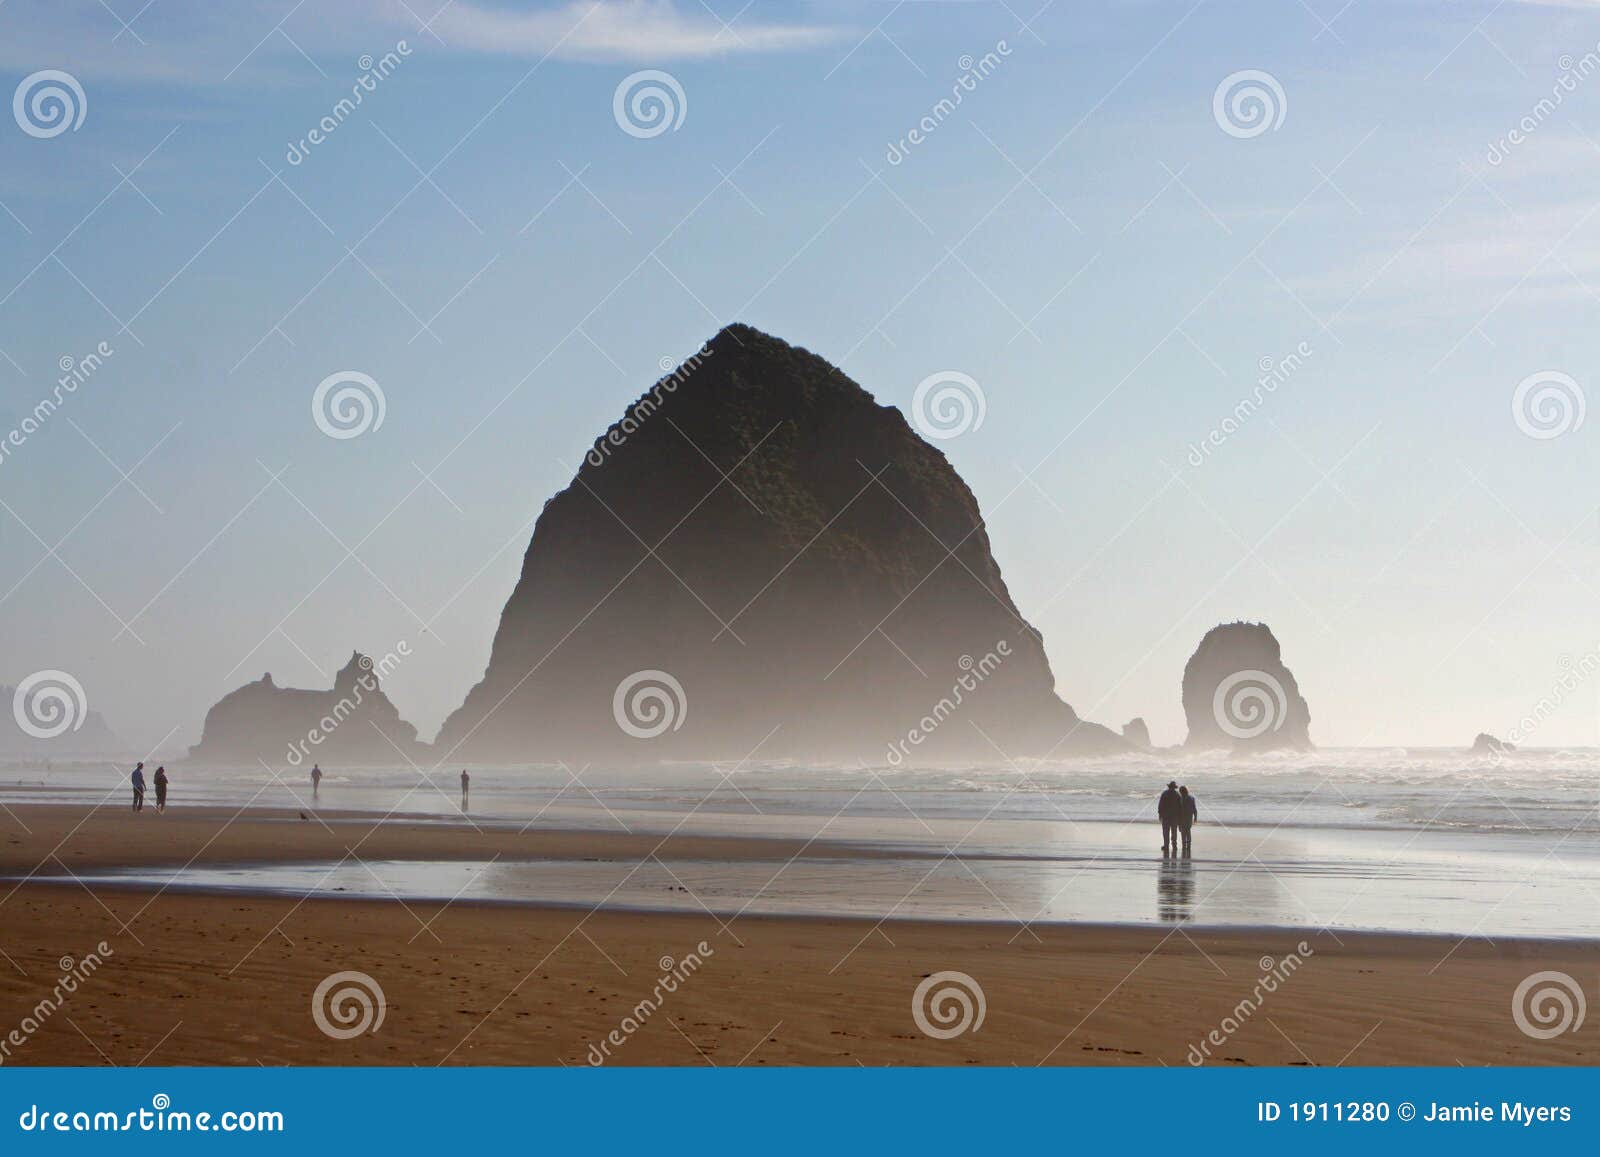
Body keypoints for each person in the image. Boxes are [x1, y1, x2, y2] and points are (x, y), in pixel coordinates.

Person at [1157, 780, 1182, 854]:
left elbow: (1160, 804)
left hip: (1166, 816)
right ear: (1174, 787)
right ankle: (1174, 845)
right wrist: (1180, 816)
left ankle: (1166, 845)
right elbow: (1180, 806)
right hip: (1174, 816)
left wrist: (1160, 814)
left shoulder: (1164, 793)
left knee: (1166, 831)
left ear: (1169, 787)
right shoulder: (1177, 794)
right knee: (1174, 831)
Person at [1178, 784, 1197, 854]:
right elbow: (1194, 809)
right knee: (1188, 831)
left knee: (1183, 832)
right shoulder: (1192, 798)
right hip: (1189, 817)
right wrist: (1195, 817)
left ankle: (1184, 846)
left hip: (1182, 817)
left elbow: (1178, 810)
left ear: (1181, 792)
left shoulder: (1180, 798)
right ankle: (1188, 846)